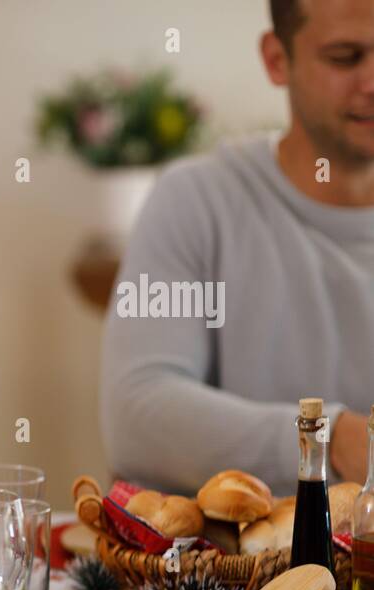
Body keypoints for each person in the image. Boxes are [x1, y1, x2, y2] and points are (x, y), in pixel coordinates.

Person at [100, 0, 374, 495]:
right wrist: (327, 441)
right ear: (276, 59)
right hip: (233, 571)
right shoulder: (196, 201)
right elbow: (135, 416)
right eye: (345, 57)